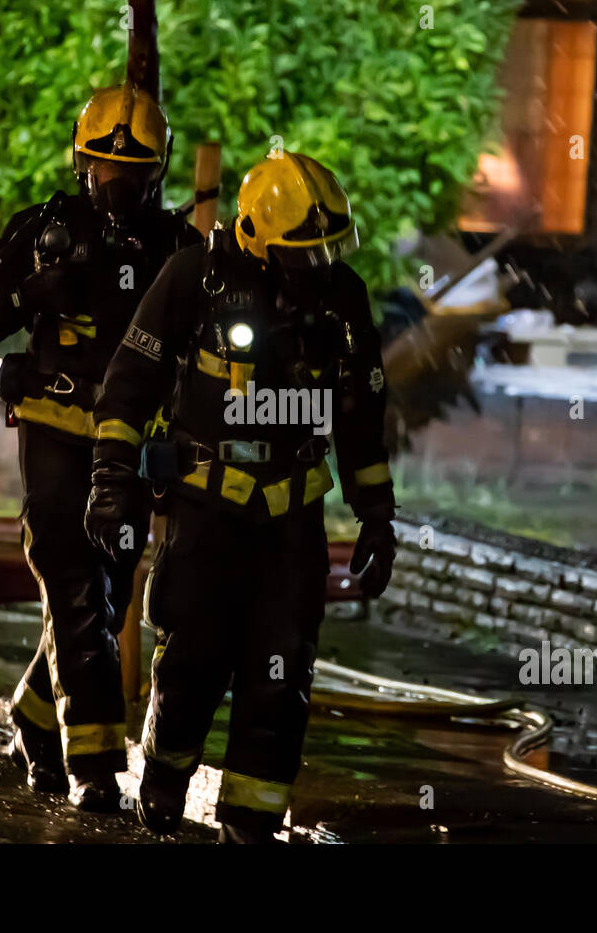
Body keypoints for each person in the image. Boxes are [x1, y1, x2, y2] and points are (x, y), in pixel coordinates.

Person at [84, 151, 396, 841]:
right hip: (205, 512)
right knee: (193, 657)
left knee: (281, 676)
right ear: (256, 238)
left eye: (325, 254)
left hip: (293, 523)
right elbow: (129, 382)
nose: (317, 271)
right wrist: (110, 482)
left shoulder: (343, 298)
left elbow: (360, 417)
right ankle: (164, 779)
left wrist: (377, 516)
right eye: (300, 256)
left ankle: (252, 820)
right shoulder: (194, 277)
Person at [0, 81, 199, 811]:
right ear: (79, 163)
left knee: (109, 593)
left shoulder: (181, 251)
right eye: (103, 170)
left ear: (158, 174)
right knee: (70, 580)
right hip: (55, 436)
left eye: (133, 175)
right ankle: (94, 763)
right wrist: (31, 293)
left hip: (131, 452)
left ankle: (33, 716)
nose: (116, 186)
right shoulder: (41, 228)